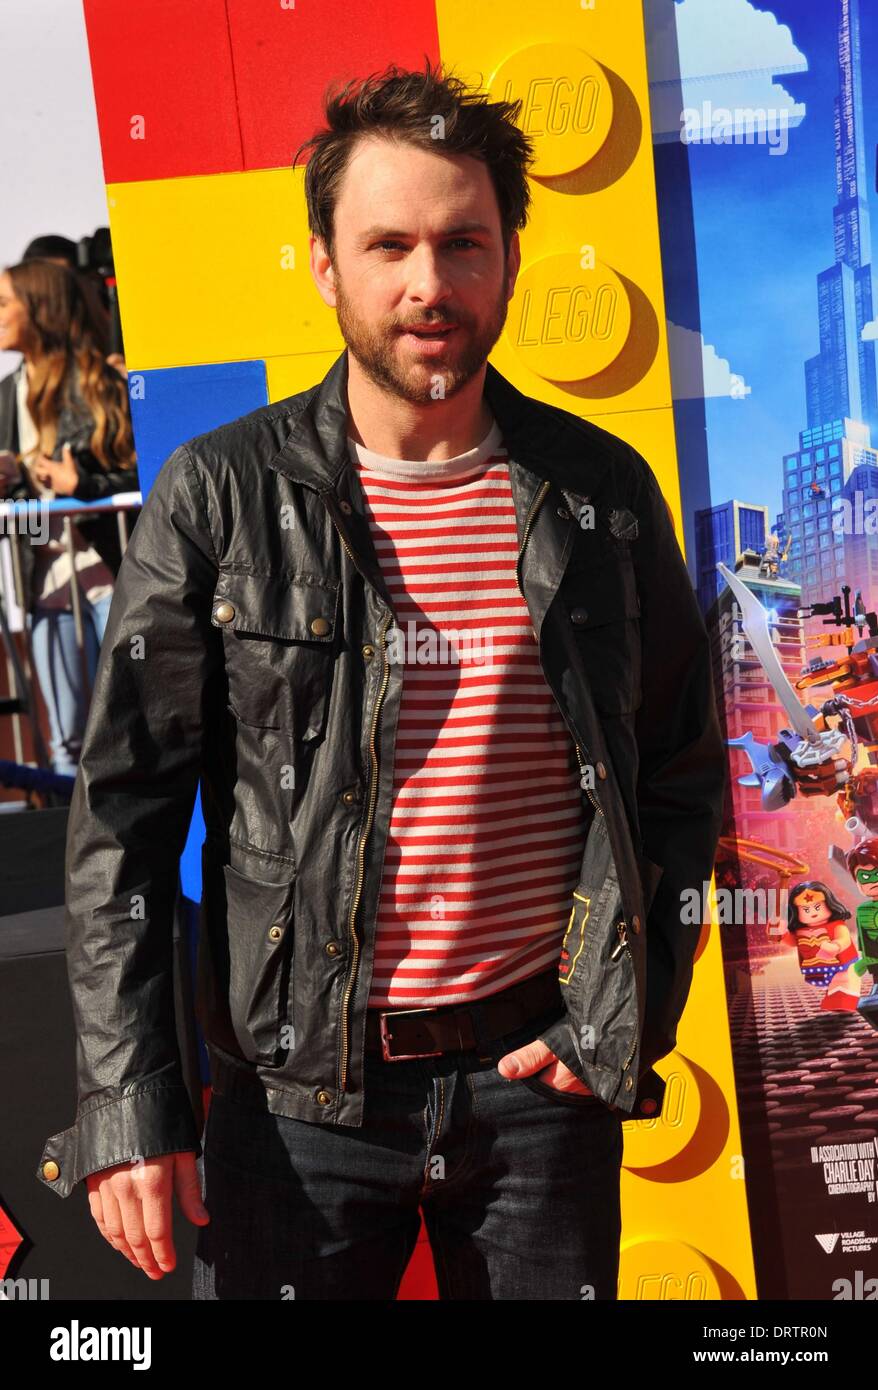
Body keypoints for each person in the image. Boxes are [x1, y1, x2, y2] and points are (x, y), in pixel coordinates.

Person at [37, 61, 727, 1300]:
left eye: (462, 243)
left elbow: (675, 774)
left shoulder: (598, 492)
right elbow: (119, 826)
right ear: (322, 263)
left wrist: (620, 1014)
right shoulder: (219, 496)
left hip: (537, 1084)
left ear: (509, 256)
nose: (428, 285)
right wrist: (127, 1102)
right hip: (295, 1099)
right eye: (388, 244)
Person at [0, 258, 138, 776]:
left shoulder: (99, 382)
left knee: (127, 729)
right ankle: (70, 852)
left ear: (40, 309)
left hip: (112, 583)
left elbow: (150, 473)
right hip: (47, 585)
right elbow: (18, 502)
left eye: (5, 302)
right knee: (64, 743)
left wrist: (84, 486)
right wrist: (10, 481)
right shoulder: (6, 393)